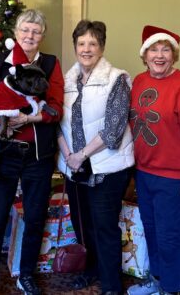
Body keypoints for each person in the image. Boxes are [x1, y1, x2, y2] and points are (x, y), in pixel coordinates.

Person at [0, 9, 64, 295]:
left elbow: (56, 108)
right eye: (25, 30)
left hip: (37, 155)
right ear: (16, 33)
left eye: (36, 31)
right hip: (2, 155)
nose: (30, 36)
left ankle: (26, 274)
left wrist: (31, 119)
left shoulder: (51, 64)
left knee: (34, 218)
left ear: (42, 35)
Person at [127, 25, 180, 295]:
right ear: (144, 54)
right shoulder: (137, 81)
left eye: (166, 50)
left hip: (173, 178)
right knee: (150, 230)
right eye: (153, 49)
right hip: (143, 173)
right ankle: (156, 280)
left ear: (174, 55)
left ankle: (171, 289)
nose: (159, 55)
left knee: (169, 237)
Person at [57, 20, 134, 295]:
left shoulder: (117, 78)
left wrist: (82, 155)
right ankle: (91, 270)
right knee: (83, 225)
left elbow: (113, 129)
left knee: (104, 228)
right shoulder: (66, 79)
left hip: (106, 167)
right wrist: (68, 155)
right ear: (75, 46)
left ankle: (112, 285)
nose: (86, 49)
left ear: (101, 48)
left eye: (92, 43)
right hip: (73, 166)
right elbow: (56, 119)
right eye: (81, 43)